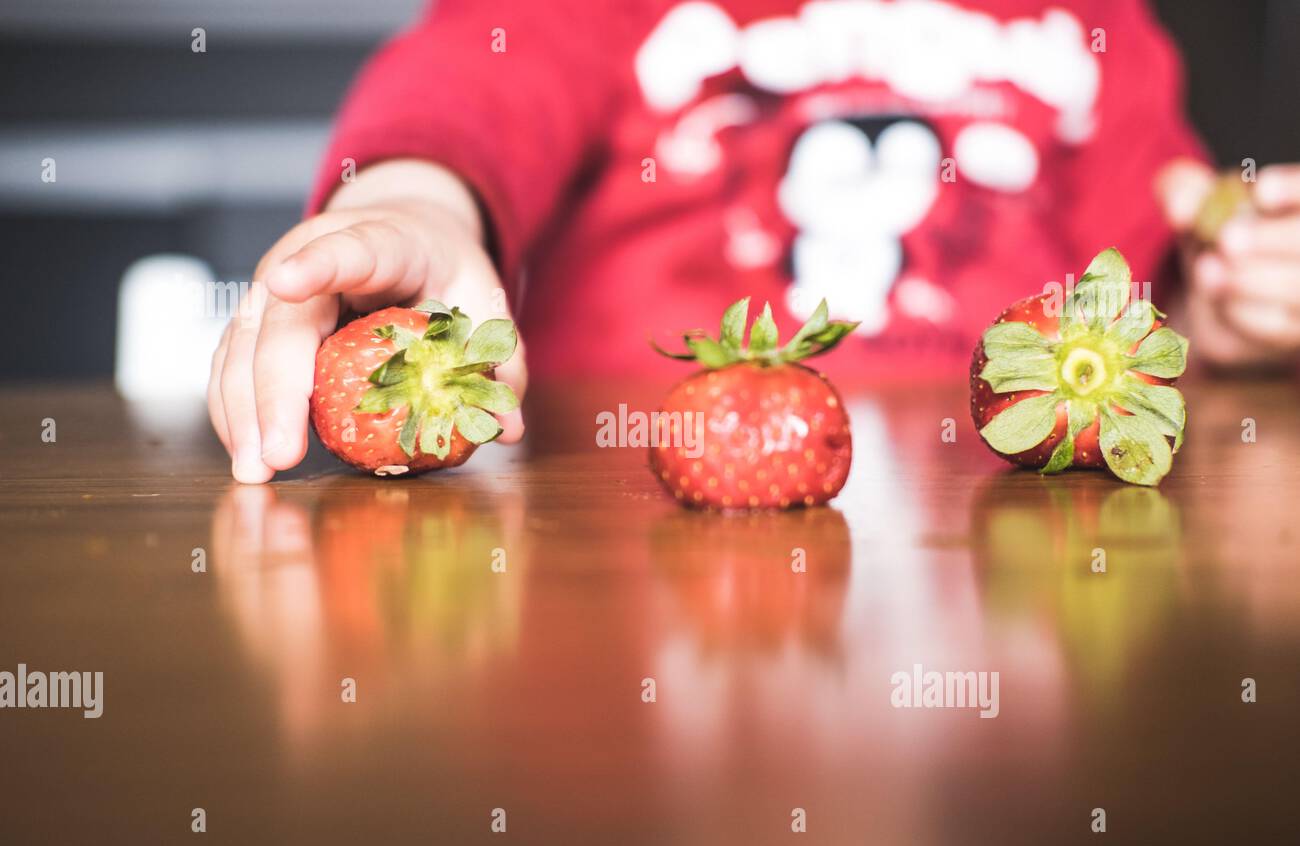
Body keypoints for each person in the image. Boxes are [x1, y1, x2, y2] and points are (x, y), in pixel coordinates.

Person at [208, 0, 1300, 484]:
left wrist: (1233, 294)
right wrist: (419, 205)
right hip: (617, 527)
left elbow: (1152, 254)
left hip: (1012, 542)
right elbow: (472, 82)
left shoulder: (1090, 19)